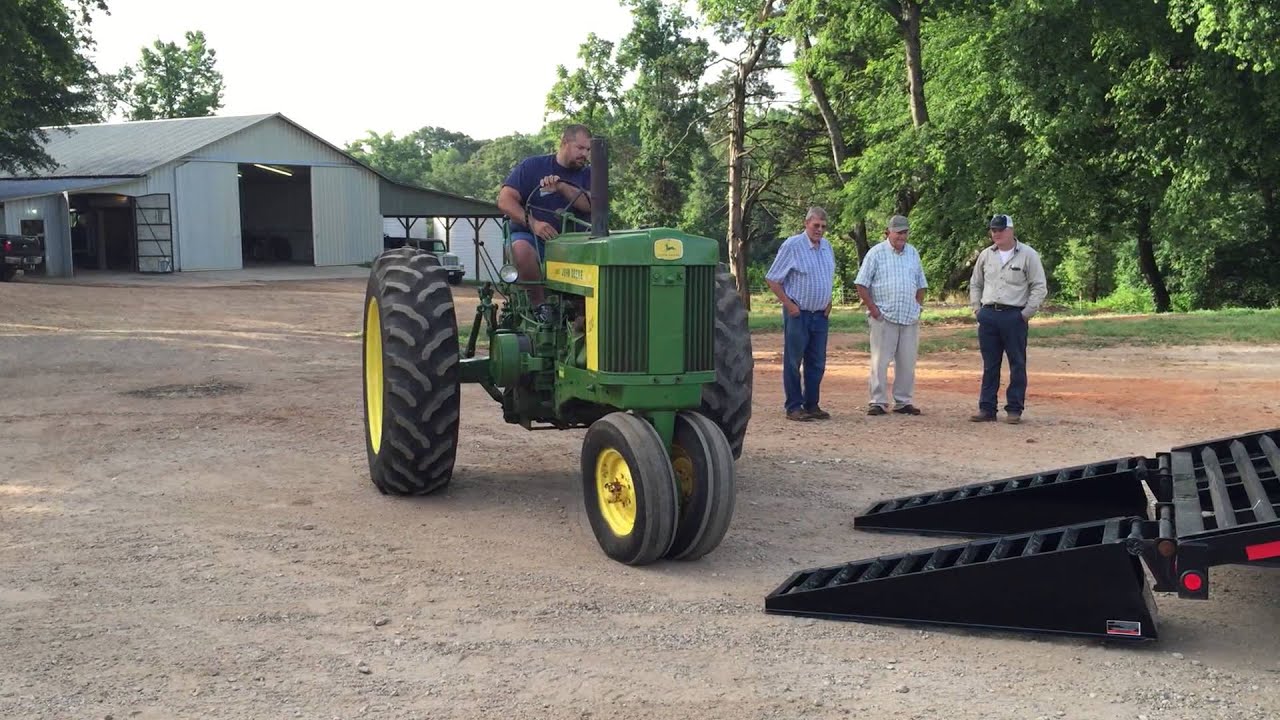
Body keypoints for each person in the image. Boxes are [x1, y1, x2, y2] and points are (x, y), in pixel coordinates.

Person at [496, 125, 593, 304]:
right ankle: (540, 308)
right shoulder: (532, 166)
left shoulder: (589, 174)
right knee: (521, 250)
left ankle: (584, 315)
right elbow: (505, 200)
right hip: (533, 238)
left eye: (588, 150)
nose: (585, 154)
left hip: (575, 242)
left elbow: (591, 205)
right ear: (564, 143)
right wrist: (534, 224)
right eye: (580, 148)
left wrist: (562, 187)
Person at [968, 213, 1048, 424]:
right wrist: (977, 309)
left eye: (1000, 230)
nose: (996, 234)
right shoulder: (986, 255)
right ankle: (987, 408)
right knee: (990, 364)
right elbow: (975, 283)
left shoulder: (1028, 255)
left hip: (1014, 316)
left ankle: (1014, 409)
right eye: (993, 230)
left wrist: (1026, 313)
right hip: (989, 314)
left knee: (1017, 363)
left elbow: (1039, 286)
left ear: (1011, 230)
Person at [765, 207, 837, 421]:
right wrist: (789, 305)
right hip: (799, 314)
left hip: (820, 315)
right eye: (816, 225)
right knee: (794, 361)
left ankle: (812, 404)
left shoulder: (827, 247)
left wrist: (829, 301)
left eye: (823, 227)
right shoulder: (793, 245)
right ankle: (794, 407)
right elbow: (772, 279)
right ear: (806, 224)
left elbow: (827, 276)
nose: (820, 230)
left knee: (817, 362)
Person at [855, 214, 928, 416]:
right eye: (899, 232)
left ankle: (903, 401)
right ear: (889, 232)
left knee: (907, 361)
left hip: (908, 316)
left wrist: (917, 306)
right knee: (880, 361)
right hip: (884, 316)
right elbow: (861, 284)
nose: (902, 236)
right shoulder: (876, 253)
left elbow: (921, 284)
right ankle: (877, 401)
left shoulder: (913, 253)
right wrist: (873, 309)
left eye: (905, 232)